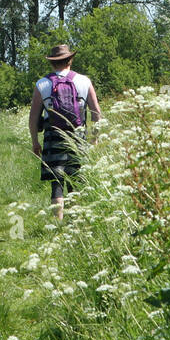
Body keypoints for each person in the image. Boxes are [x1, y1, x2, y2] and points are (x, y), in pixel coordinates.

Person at [28, 43, 100, 220]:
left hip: (53, 137)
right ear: (71, 59)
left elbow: (33, 117)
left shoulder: (42, 84)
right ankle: (75, 223)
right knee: (75, 179)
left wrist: (35, 142)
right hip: (78, 136)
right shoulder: (84, 81)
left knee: (56, 181)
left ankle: (58, 224)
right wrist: (94, 138)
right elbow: (96, 112)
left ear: (52, 63)